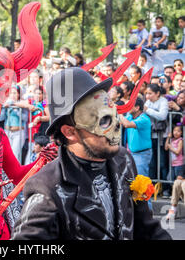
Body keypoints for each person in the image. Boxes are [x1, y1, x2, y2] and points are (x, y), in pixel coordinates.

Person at [12, 67, 171, 240]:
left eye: (115, 116)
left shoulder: (123, 160)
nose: (116, 126)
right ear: (70, 132)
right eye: (103, 121)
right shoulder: (48, 190)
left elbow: (146, 228)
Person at [119, 98, 152, 202]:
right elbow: (122, 122)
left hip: (142, 154)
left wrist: (119, 113)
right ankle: (139, 212)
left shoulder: (144, 119)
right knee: (133, 183)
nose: (128, 107)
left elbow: (127, 124)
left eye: (130, 105)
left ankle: (148, 211)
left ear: (137, 108)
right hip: (131, 153)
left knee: (142, 184)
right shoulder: (130, 116)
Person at [144, 84, 170, 197]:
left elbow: (162, 116)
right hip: (151, 136)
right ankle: (152, 188)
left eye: (150, 93)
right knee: (152, 163)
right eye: (146, 93)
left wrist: (148, 110)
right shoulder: (148, 102)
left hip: (162, 136)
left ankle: (166, 189)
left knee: (163, 163)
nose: (147, 96)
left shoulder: (163, 101)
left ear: (157, 93)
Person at [0, 86, 28, 163]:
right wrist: (3, 108)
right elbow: (0, 118)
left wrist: (16, 109)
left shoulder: (23, 104)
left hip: (18, 133)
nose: (13, 95)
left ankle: (15, 173)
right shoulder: (6, 104)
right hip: (7, 131)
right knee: (7, 154)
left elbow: (25, 118)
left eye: (15, 93)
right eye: (11, 93)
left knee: (15, 154)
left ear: (18, 94)